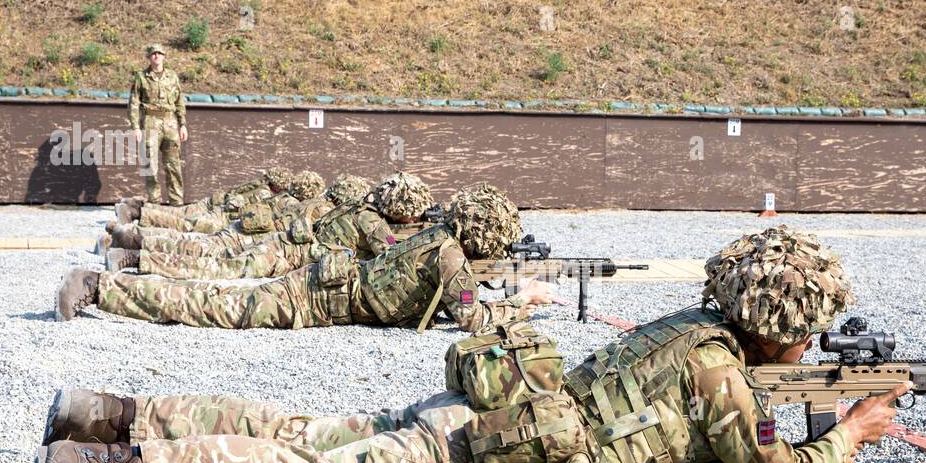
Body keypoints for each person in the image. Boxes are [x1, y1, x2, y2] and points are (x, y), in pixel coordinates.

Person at [32, 226, 906, 463]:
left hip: (477, 412)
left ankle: (108, 411)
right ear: (776, 328)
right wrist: (852, 433)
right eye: (807, 335)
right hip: (481, 460)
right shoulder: (727, 381)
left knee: (305, 429)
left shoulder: (688, 333)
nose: (809, 347)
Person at [54, 184, 555, 330]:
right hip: (320, 298)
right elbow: (474, 318)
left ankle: (112, 273)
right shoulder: (449, 259)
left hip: (326, 280)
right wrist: (525, 299)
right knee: (212, 304)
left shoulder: (440, 241)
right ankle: (98, 287)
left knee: (214, 281)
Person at [106, 172, 432, 279]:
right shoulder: (371, 223)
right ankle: (135, 252)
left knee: (203, 248)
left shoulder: (345, 209)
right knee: (212, 268)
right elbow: (393, 257)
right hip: (282, 254)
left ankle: (135, 240)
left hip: (276, 241)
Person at [112, 166, 298, 236]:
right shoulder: (264, 194)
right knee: (181, 225)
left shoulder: (257, 184)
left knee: (177, 215)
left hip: (215, 207)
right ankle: (134, 214)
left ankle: (135, 207)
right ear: (278, 185)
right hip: (220, 218)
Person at [127, 45, 187, 206]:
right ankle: (154, 201)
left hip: (170, 123)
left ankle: (177, 201)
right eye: (153, 54)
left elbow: (179, 101)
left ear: (164, 56)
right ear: (149, 57)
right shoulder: (141, 77)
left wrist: (183, 124)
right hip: (150, 122)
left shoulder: (172, 76)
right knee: (150, 165)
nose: (157, 56)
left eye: (159, 53)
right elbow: (133, 103)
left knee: (173, 165)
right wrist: (135, 127)